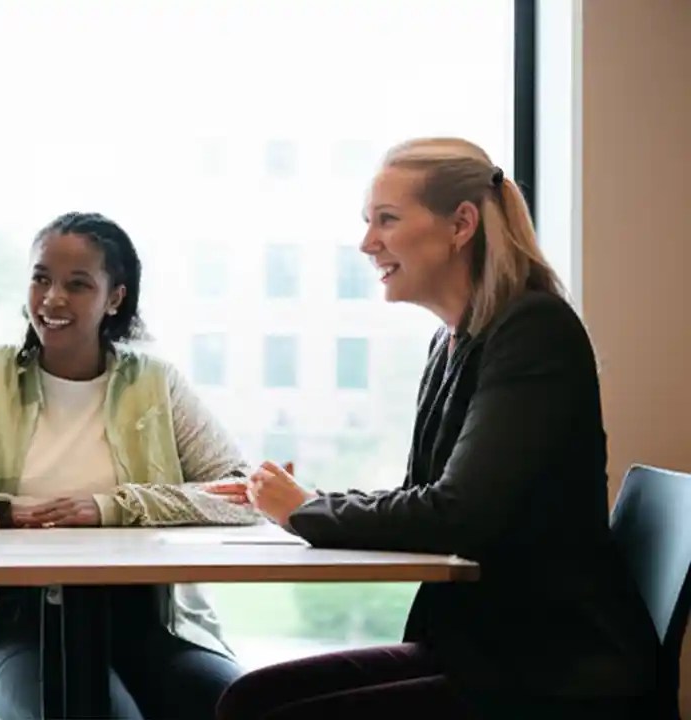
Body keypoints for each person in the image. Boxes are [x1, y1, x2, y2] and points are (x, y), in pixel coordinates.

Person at [219, 138, 663, 720]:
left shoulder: (532, 329)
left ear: (461, 225)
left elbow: (458, 513)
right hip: (485, 651)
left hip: (553, 672)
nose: (367, 242)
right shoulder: (454, 339)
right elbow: (421, 498)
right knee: (248, 699)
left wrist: (304, 511)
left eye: (387, 220)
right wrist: (306, 501)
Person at [0, 211, 259, 720]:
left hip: (149, 625)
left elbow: (243, 494)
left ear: (115, 298)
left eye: (77, 285)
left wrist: (111, 507)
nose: (52, 299)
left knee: (244, 707)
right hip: (19, 629)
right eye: (41, 279)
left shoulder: (155, 383)